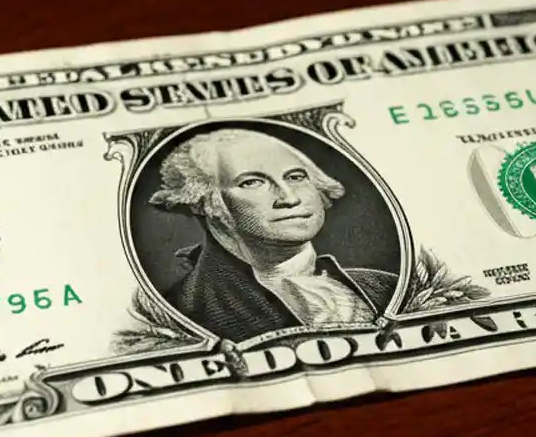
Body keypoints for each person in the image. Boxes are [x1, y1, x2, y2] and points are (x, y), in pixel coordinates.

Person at [148, 128, 397, 340]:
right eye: (252, 182)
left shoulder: (383, 286)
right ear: (202, 201)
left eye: (296, 177)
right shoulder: (178, 316)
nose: (290, 198)